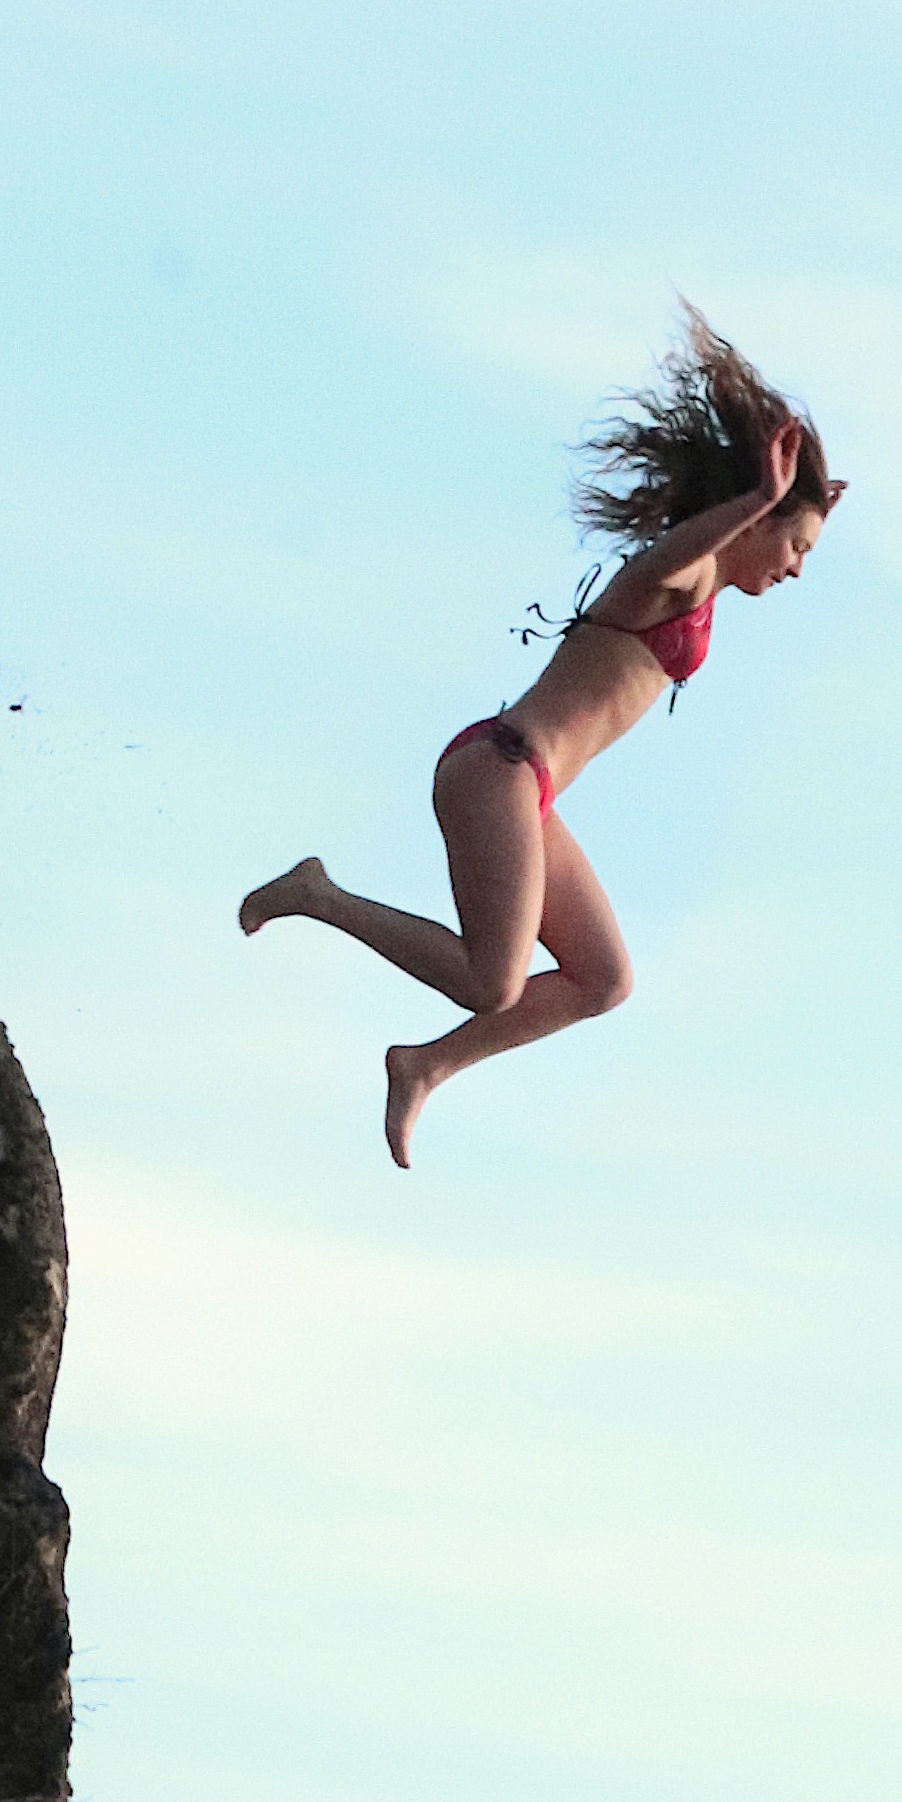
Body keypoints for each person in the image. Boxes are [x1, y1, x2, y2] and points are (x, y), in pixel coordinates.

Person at [241, 310, 841, 1166]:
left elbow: (730, 551)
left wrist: (796, 506)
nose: (797, 568)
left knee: (604, 980)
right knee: (495, 982)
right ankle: (318, 894)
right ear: (753, 518)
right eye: (798, 546)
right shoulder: (677, 579)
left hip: (533, 787)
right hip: (499, 767)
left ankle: (425, 1064)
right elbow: (665, 561)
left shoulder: (710, 585)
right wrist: (759, 503)